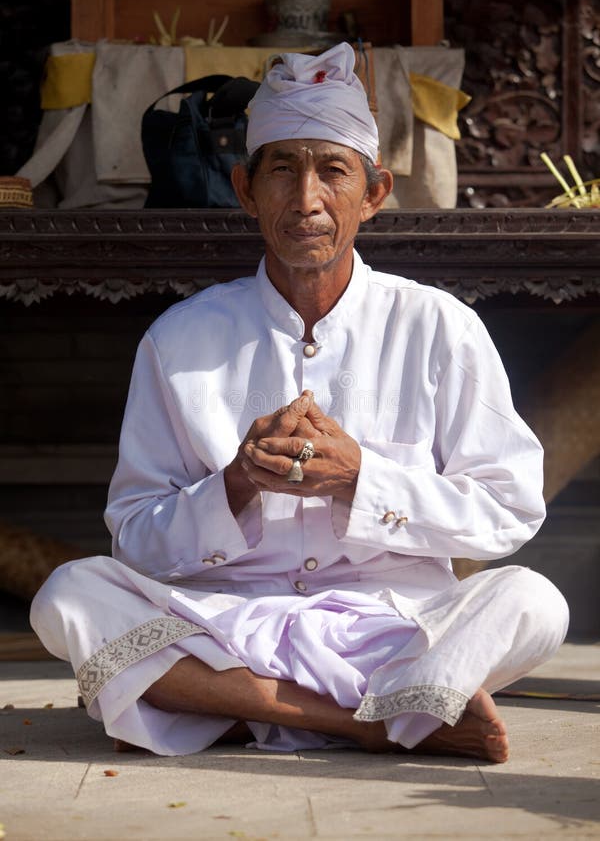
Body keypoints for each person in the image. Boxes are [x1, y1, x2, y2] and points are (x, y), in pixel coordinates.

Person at [31, 43, 568, 762]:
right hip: (229, 621)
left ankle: (230, 707)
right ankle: (371, 719)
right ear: (246, 189)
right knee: (68, 595)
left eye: (333, 171)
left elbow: (510, 508)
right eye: (283, 169)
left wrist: (362, 479)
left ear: (374, 194)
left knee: (533, 603)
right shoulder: (181, 338)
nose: (307, 199)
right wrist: (235, 485)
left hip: (391, 622)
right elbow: (134, 533)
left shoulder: (439, 326)